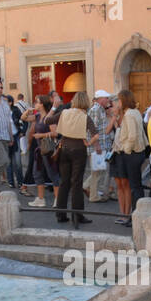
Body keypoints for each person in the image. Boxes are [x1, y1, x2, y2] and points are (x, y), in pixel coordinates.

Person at [54, 91, 94, 227]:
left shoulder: (65, 113)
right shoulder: (85, 117)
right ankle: (77, 216)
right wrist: (88, 142)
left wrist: (54, 107)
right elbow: (95, 134)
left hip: (64, 148)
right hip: (78, 150)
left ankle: (60, 214)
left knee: (64, 182)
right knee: (76, 182)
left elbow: (48, 120)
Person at [110, 89, 145, 226]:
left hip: (132, 153)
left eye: (119, 100)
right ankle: (137, 214)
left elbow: (132, 136)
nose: (117, 102)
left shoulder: (130, 114)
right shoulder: (135, 112)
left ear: (123, 100)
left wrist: (126, 150)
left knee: (134, 187)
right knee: (136, 185)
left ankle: (136, 216)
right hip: (138, 152)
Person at [84, 90, 116, 203]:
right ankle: (93, 196)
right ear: (101, 98)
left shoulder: (99, 109)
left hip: (101, 145)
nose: (108, 100)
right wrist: (96, 145)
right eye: (106, 98)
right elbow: (92, 129)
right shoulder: (96, 110)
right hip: (98, 146)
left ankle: (86, 186)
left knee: (99, 170)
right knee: (97, 172)